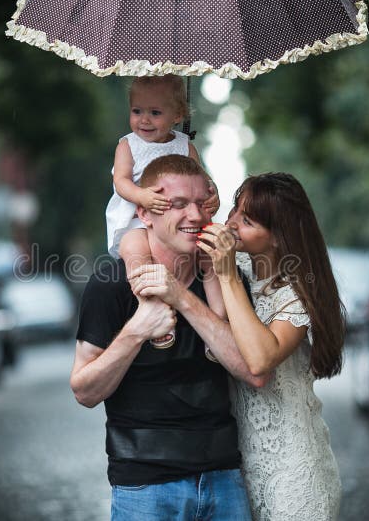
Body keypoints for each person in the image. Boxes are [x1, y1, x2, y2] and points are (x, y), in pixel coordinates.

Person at [72, 154, 266, 520]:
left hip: (224, 478)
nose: (194, 216)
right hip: (145, 486)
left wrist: (181, 298)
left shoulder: (227, 279)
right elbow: (84, 391)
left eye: (199, 203)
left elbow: (254, 372)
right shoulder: (110, 286)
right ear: (145, 214)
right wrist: (136, 331)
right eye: (177, 204)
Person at [196, 172, 346, 521]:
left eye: (246, 220)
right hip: (239, 467)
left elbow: (260, 359)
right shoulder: (239, 267)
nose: (231, 223)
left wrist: (227, 274)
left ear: (278, 237)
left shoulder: (296, 292)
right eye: (235, 209)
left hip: (294, 471)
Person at [105, 75, 223, 345]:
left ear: (178, 114)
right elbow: (121, 181)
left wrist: (211, 193)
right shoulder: (128, 145)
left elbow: (201, 178)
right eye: (137, 111)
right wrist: (141, 196)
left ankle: (218, 318)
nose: (144, 120)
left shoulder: (185, 146)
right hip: (136, 219)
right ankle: (151, 307)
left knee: (210, 254)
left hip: (177, 223)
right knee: (136, 253)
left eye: (155, 113)